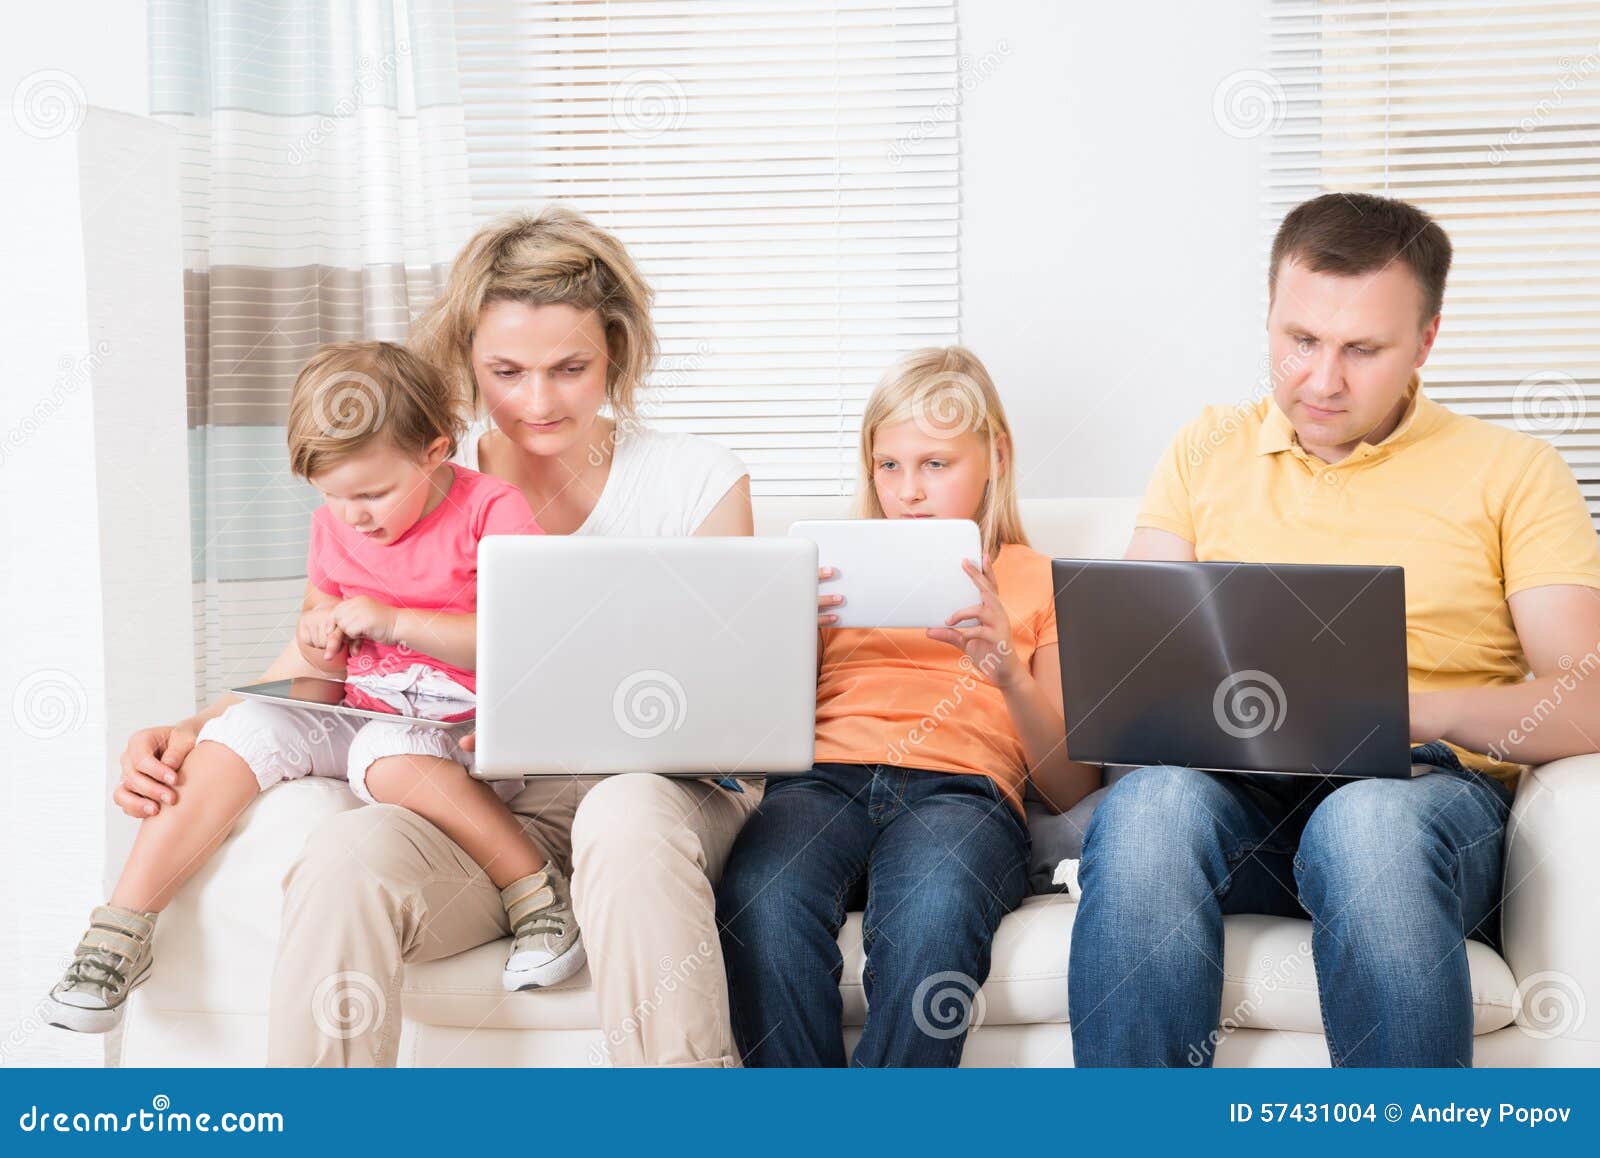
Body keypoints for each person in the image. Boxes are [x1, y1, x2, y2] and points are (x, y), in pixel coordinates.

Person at [111, 207, 761, 1066]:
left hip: (647, 793)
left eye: (571, 368)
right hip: (478, 801)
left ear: (618, 352)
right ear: (466, 361)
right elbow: (324, 657)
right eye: (507, 371)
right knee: (347, 851)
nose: (538, 400)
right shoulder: (408, 482)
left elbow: (735, 703)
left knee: (622, 811)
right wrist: (197, 727)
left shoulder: (694, 482)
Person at [1068, 192, 1600, 1067]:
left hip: (1422, 808)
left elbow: (1583, 701)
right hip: (1239, 794)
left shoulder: (1515, 472)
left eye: (1362, 350)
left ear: (1426, 341)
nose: (1320, 380)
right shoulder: (1206, 448)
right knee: (1148, 806)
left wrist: (1419, 710)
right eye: (1299, 340)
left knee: (1366, 825)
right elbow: (1133, 656)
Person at [47, 341, 585, 1033]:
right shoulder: (334, 526)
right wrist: (287, 662)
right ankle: (119, 931)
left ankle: (537, 896)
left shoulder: (491, 510)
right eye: (333, 496)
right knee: (238, 732)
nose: (353, 515)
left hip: (463, 730)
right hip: (361, 712)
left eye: (372, 493)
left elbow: (528, 641)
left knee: (383, 749)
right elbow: (314, 670)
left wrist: (397, 621)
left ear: (434, 451)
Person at [716, 346, 1100, 1066]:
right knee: (760, 902)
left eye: (935, 464)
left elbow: (1071, 785)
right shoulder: (823, 571)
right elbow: (753, 733)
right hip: (821, 781)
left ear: (997, 456)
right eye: (888, 465)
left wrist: (1006, 674)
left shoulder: (1041, 579)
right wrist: (792, 631)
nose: (908, 491)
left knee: (932, 924)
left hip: (963, 794)